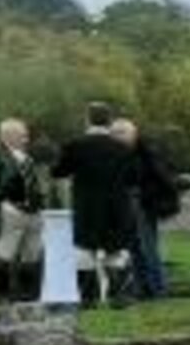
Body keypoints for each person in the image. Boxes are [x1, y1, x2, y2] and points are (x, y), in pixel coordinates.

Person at [51, 102, 138, 305]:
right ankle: (119, 297)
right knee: (116, 252)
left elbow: (58, 172)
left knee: (84, 252)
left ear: (87, 120)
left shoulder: (74, 146)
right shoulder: (122, 148)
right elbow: (133, 178)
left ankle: (87, 298)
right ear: (109, 121)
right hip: (116, 209)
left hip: (86, 208)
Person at [111, 118, 187, 300]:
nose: (116, 140)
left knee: (147, 247)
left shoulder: (144, 153)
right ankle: (143, 288)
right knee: (136, 248)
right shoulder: (131, 152)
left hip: (142, 203)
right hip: (132, 202)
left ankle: (157, 288)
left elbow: (159, 176)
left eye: (119, 135)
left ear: (131, 135)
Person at [0, 118, 47, 302]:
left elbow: (34, 185)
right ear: (8, 136)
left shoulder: (27, 158)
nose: (26, 140)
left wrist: (40, 205)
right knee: (6, 253)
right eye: (22, 136)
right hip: (12, 210)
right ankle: (1, 296)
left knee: (32, 255)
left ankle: (28, 296)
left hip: (33, 212)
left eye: (26, 136)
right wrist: (4, 204)